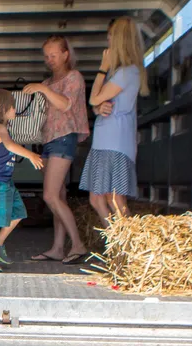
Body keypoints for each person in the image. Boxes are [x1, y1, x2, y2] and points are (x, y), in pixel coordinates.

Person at [24, 36, 92, 265]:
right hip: (49, 140)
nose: (49, 60)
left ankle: (78, 245)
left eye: (53, 55)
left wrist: (42, 89)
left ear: (66, 54)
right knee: (59, 195)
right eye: (46, 56)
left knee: (50, 195)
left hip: (64, 139)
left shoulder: (74, 77)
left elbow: (65, 105)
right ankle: (57, 248)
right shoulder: (48, 81)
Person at [83, 17, 148, 224]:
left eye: (111, 35)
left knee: (114, 199)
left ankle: (128, 250)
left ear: (120, 39)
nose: (108, 40)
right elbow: (97, 103)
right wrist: (97, 108)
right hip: (105, 142)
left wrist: (102, 68)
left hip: (115, 143)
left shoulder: (127, 72)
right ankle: (117, 248)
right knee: (97, 198)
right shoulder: (120, 72)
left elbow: (93, 97)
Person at [0, 90, 43, 272]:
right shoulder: (0, 129)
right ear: (3, 109)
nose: (15, 109)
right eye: (12, 106)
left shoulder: (5, 128)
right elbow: (9, 146)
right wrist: (30, 154)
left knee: (18, 213)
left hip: (6, 181)